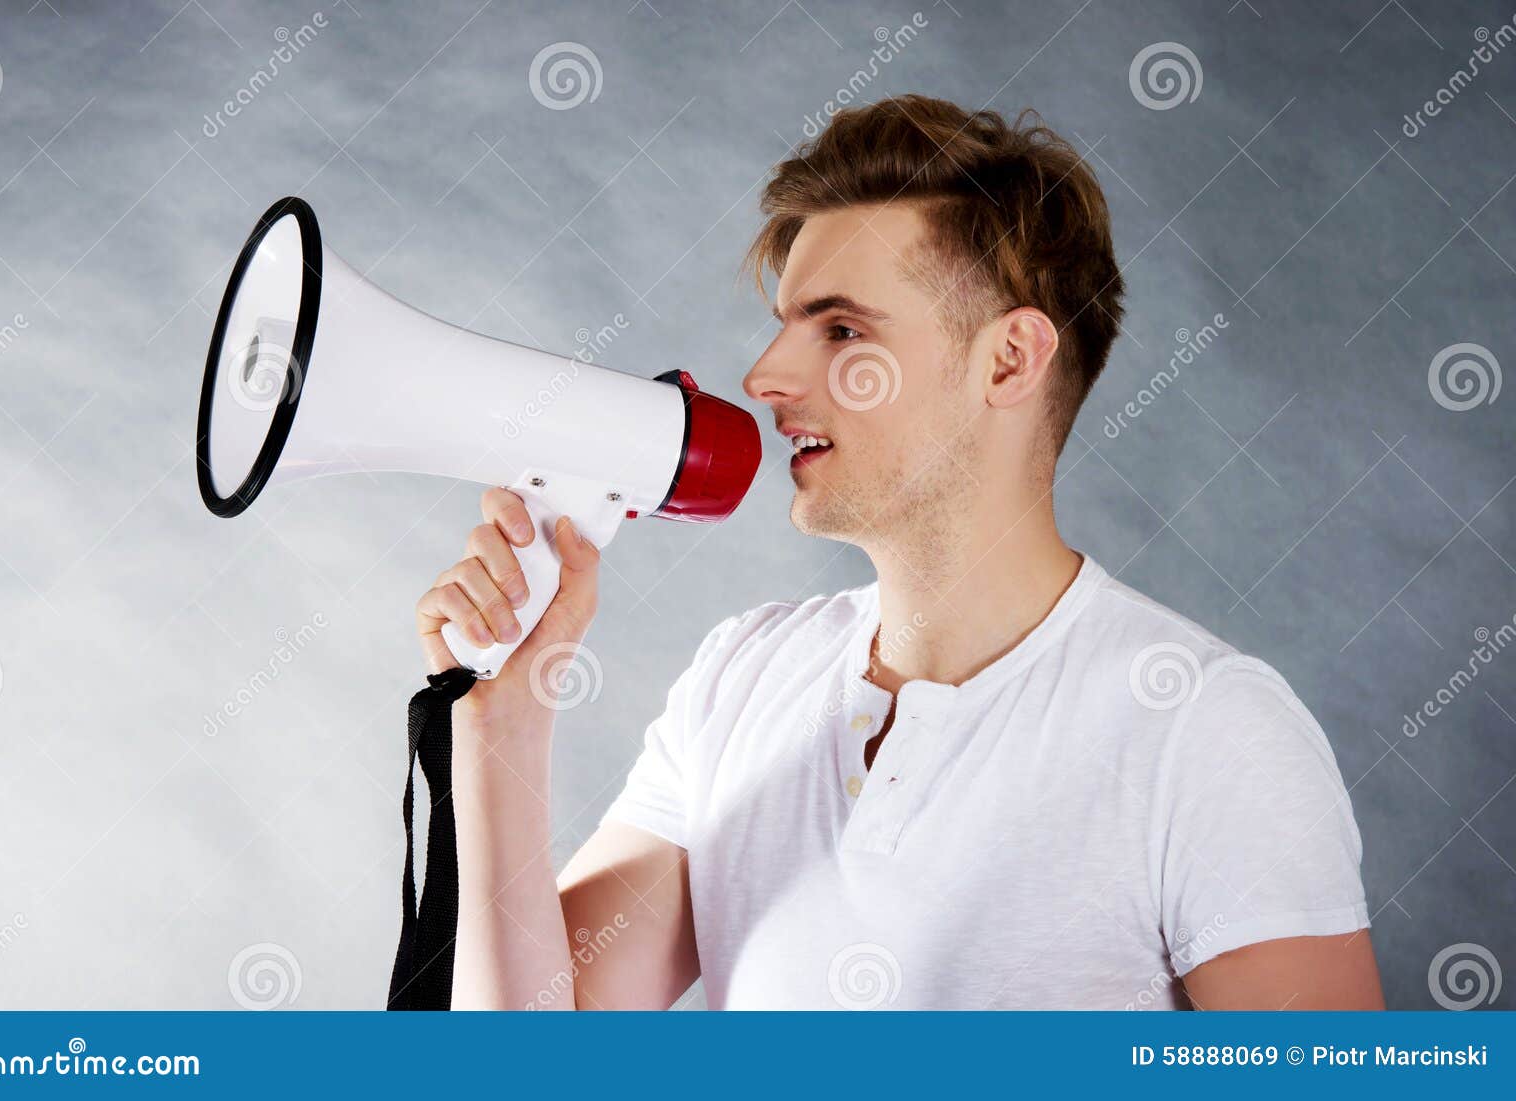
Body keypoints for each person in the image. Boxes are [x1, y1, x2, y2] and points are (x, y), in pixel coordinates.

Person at [414, 95, 1384, 1010]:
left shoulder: (1207, 730)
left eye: (841, 330)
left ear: (1009, 359)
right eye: (784, 325)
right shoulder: (739, 681)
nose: (764, 376)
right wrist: (504, 719)